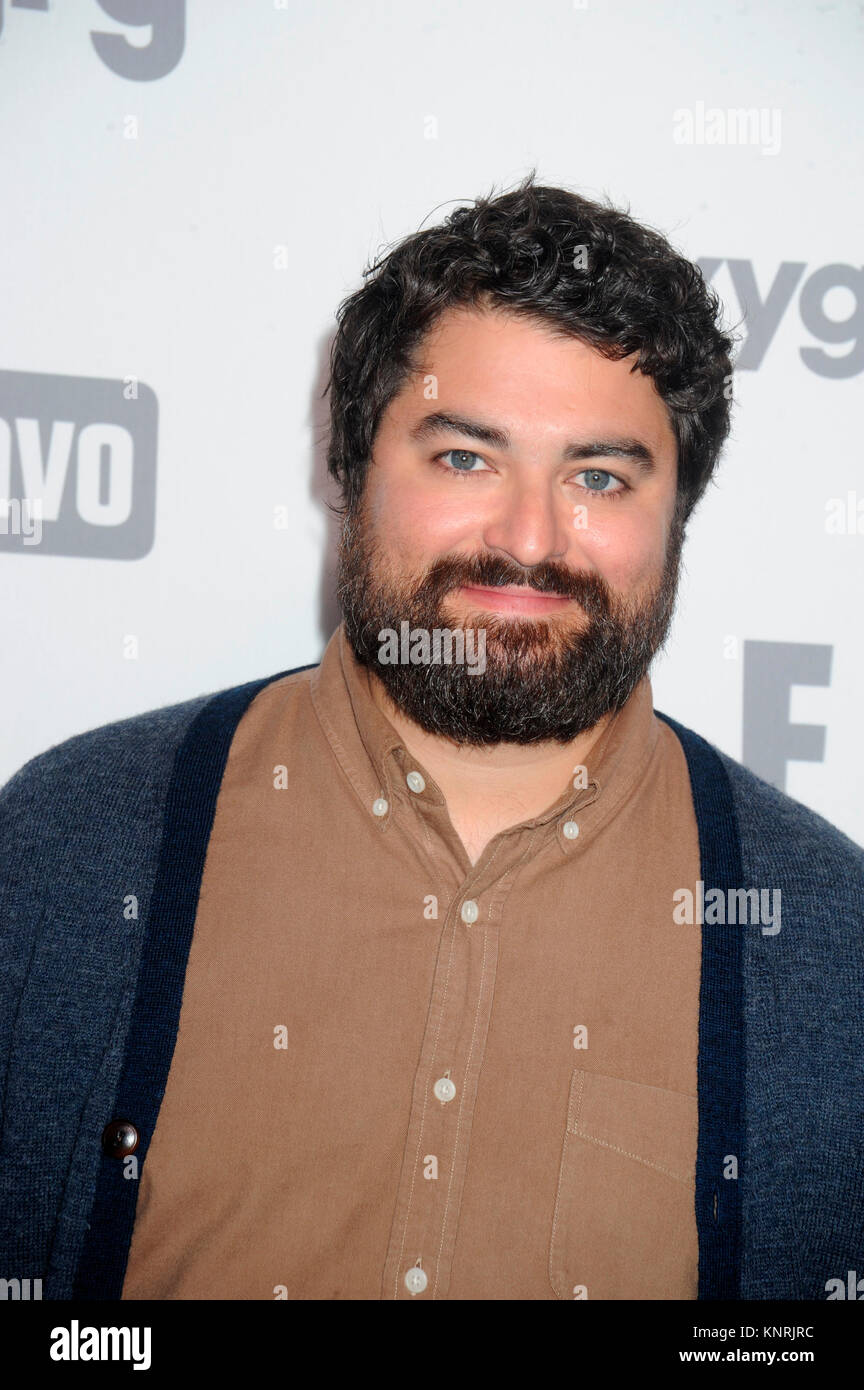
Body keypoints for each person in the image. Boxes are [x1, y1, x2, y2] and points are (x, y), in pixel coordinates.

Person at [1, 173, 862, 1303]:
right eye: (466, 458)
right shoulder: (72, 844)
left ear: (678, 520)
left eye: (598, 476)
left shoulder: (825, 943)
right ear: (351, 470)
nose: (528, 538)